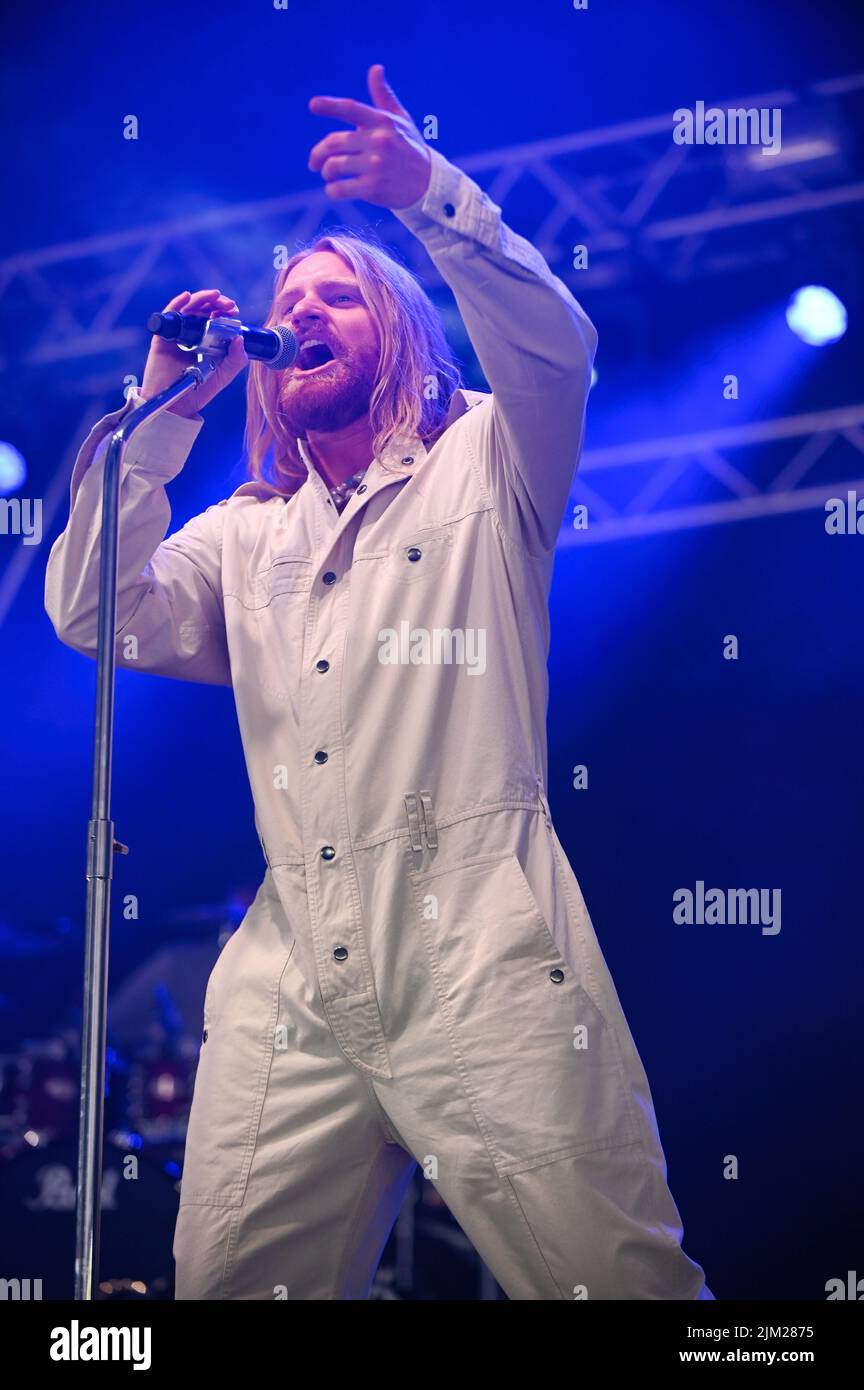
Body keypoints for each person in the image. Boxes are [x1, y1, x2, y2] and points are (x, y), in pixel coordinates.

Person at [45, 64, 714, 1301]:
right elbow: (91, 607)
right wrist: (163, 409)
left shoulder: (489, 463)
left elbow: (556, 345)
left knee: (614, 1281)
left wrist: (429, 197)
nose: (299, 311)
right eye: (285, 298)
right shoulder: (246, 535)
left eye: (335, 294)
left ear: (398, 327)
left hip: (482, 951)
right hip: (292, 968)